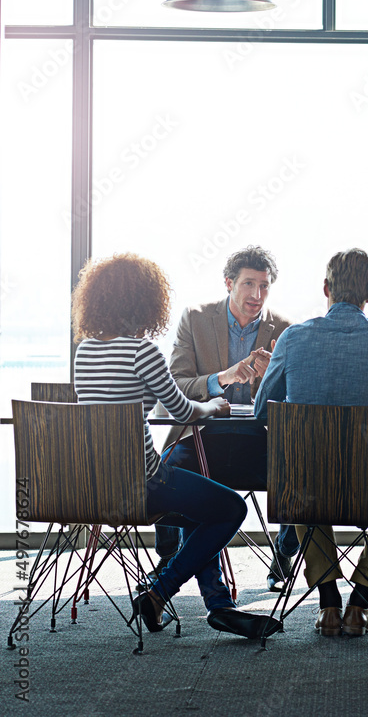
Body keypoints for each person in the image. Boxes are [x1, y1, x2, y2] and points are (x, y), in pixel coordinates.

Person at [72, 252, 279, 639]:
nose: (257, 292)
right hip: (147, 483)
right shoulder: (142, 351)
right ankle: (163, 592)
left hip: (98, 483)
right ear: (147, 302)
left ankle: (214, 605)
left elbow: (127, 406)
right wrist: (216, 402)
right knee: (228, 508)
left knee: (203, 504)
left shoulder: (84, 352)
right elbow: (181, 407)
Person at [254, 248, 368, 638]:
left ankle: (327, 603)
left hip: (307, 492)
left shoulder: (293, 338)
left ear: (326, 288)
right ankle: (360, 603)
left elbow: (261, 411)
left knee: (301, 479)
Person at [157, 246, 299, 592]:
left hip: (258, 439)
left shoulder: (285, 329)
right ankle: (170, 557)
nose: (256, 295)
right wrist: (223, 377)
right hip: (202, 436)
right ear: (228, 283)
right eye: (248, 284)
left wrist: (269, 381)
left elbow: (296, 401)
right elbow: (175, 385)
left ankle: (283, 553)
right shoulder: (195, 318)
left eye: (264, 286)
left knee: (302, 473)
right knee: (164, 471)